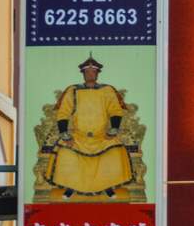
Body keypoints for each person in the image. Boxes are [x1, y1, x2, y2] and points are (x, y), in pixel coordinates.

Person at [45, 56, 133, 198]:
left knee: (116, 150)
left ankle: (108, 187)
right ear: (83, 73)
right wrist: (64, 132)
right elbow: (63, 112)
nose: (91, 74)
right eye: (88, 72)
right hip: (79, 136)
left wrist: (114, 128)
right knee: (65, 152)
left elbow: (115, 110)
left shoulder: (107, 90)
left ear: (98, 74)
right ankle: (70, 187)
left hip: (102, 136)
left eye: (93, 72)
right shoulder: (73, 90)